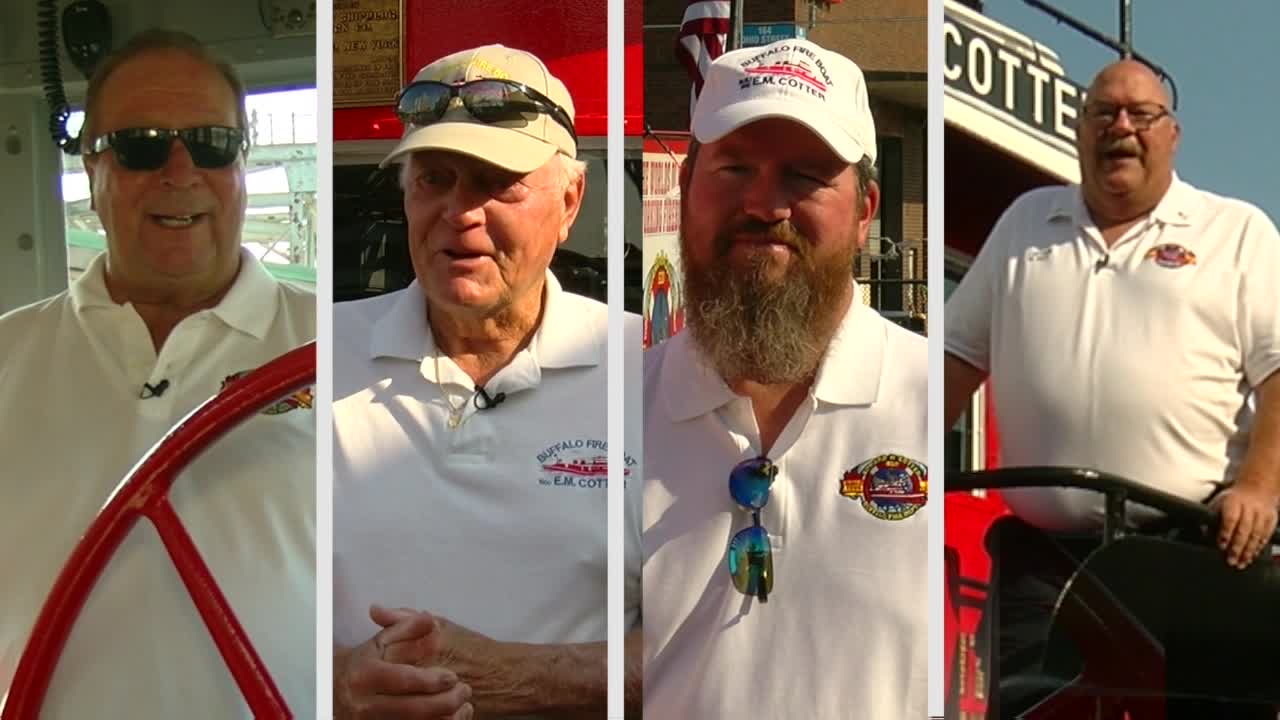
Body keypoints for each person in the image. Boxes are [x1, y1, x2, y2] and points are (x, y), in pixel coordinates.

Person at [945, 59, 1280, 717]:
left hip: (1191, 555)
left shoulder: (1235, 233)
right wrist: (895, 480)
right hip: (1043, 567)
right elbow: (952, 366)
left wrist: (1261, 488)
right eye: (1103, 113)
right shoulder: (1021, 226)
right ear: (1080, 129)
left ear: (1172, 134)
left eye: (1140, 114)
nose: (1119, 127)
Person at [0, 30, 316, 717]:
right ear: (92, 168)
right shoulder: (6, 358)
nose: (180, 171)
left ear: (240, 160)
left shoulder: (349, 355)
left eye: (211, 143)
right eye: (142, 145)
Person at [331, 45, 642, 719]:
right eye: (434, 179)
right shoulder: (309, 362)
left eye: (496, 182)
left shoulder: (656, 372)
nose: (459, 211)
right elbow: (236, 599)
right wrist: (335, 684)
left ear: (570, 201)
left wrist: (512, 677)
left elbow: (715, 640)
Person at [641, 38, 928, 719]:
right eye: (734, 168)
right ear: (685, 190)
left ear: (864, 211)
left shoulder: (935, 401)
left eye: (804, 176)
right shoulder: (604, 409)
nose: (765, 204)